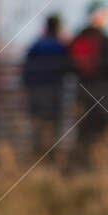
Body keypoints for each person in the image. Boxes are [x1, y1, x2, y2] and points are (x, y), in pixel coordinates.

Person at [68, 0, 108, 157]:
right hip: (105, 94)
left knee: (84, 134)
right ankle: (99, 164)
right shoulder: (105, 40)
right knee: (105, 132)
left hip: (82, 93)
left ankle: (80, 165)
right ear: (99, 15)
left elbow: (70, 66)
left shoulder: (77, 39)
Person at [21, 13, 69, 157]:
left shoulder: (36, 45)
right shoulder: (61, 47)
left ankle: (37, 154)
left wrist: (29, 86)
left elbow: (26, 70)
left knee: (38, 125)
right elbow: (67, 68)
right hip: (55, 91)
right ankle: (53, 155)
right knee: (55, 125)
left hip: (37, 91)